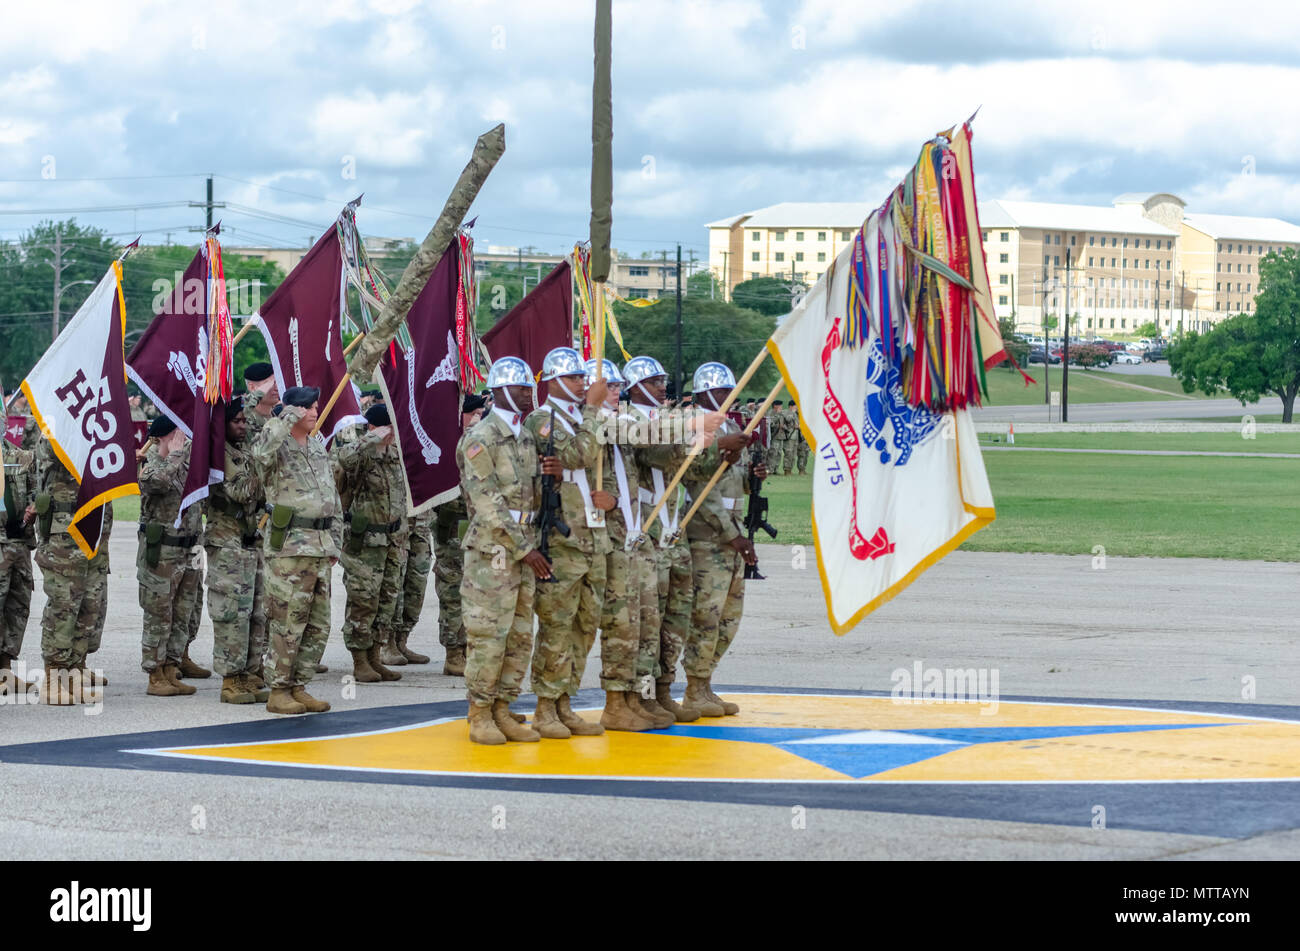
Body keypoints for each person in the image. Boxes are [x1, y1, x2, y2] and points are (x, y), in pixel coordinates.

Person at [523, 347, 618, 735]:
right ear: (557, 381)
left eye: (584, 377)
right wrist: (594, 410)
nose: (585, 383)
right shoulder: (542, 420)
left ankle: (566, 701)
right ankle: (545, 705)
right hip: (562, 540)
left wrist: (609, 496)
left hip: (593, 536)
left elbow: (602, 465)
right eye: (577, 378)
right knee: (556, 626)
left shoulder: (584, 419)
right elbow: (577, 454)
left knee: (585, 625)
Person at [458, 357, 553, 745]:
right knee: (488, 635)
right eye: (519, 389)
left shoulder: (526, 438)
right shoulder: (480, 437)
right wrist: (525, 548)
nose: (528, 395)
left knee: (518, 635)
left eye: (529, 388)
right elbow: (488, 503)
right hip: (494, 552)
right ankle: (480, 712)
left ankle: (503, 707)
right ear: (498, 392)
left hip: (524, 547)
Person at [581, 358, 668, 731]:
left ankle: (635, 696)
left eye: (619, 387)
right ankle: (615, 702)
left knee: (644, 623)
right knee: (621, 625)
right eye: (610, 387)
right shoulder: (592, 424)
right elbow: (621, 432)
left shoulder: (623, 422)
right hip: (610, 539)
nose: (617, 393)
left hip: (636, 535)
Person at [680, 362, 769, 716]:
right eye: (720, 391)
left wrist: (752, 476)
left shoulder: (731, 425)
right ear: (703, 392)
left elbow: (734, 481)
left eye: (730, 390)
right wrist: (733, 536)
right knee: (706, 613)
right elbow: (700, 488)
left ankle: (706, 681)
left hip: (732, 531)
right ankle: (693, 688)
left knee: (729, 615)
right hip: (707, 535)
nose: (727, 396)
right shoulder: (698, 428)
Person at [251, 386, 342, 715]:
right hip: (290, 547)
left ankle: (298, 684)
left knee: (318, 624)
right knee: (287, 622)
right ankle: (278, 689)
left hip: (319, 546)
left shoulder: (317, 447)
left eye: (316, 406)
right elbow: (259, 453)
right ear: (292, 411)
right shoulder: (276, 444)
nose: (315, 411)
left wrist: (335, 541)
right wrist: (286, 414)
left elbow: (332, 498)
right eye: (308, 407)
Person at [622, 355, 699, 722]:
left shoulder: (667, 419)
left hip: (673, 526)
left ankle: (665, 687)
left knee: (675, 616)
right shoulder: (628, 420)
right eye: (654, 381)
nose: (661, 386)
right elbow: (654, 454)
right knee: (648, 618)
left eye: (663, 380)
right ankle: (643, 693)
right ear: (636, 386)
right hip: (647, 526)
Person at [31, 428, 111, 705]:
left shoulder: (98, 425)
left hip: (92, 529)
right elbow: (50, 450)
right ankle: (53, 678)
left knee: (89, 606)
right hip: (64, 535)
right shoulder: (56, 422)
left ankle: (74, 671)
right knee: (64, 606)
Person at [332, 402, 407, 685]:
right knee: (363, 601)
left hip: (391, 539)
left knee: (386, 602)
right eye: (390, 428)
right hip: (364, 543)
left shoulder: (393, 457)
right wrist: (373, 437)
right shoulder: (361, 454)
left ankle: (375, 654)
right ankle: (360, 660)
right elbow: (344, 459)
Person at [204, 398, 269, 704]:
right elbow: (240, 491)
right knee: (232, 612)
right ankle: (231, 679)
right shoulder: (220, 454)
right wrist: (265, 471)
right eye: (236, 421)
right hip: (226, 541)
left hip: (250, 539)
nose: (242, 426)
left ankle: (251, 673)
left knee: (256, 613)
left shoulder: (244, 451)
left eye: (245, 421)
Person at [136, 416, 202, 697]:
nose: (184, 439)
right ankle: (154, 673)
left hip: (187, 550)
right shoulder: (148, 463)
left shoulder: (183, 463)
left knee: (181, 613)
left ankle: (171, 667)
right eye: (178, 434)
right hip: (161, 552)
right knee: (158, 614)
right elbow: (159, 483)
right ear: (165, 437)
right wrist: (175, 452)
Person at [428, 393, 489, 677]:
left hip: (479, 529)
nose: (476, 417)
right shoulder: (446, 440)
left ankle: (472, 648)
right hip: (451, 529)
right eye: (472, 412)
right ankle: (454, 652)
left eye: (481, 412)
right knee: (453, 592)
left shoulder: (483, 440)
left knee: (479, 592)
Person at [0, 440, 36, 696]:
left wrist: (34, 507)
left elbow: (35, 488)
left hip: (19, 541)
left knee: (18, 606)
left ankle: (5, 670)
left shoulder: (20, 456)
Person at [791, 400, 809, 474]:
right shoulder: (793, 414)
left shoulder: (805, 415)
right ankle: (798, 470)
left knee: (805, 454)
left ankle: (803, 469)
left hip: (804, 437)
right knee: (797, 454)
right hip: (796, 437)